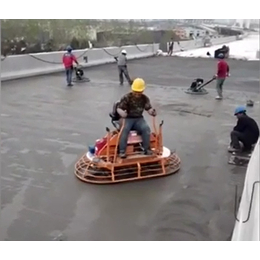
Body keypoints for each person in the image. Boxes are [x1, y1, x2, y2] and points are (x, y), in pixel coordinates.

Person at [116, 78, 157, 158]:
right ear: (132, 90)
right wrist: (122, 113)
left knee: (146, 129)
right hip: (127, 118)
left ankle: (146, 149)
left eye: (139, 92)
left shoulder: (144, 98)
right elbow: (119, 108)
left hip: (138, 118)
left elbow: (148, 108)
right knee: (125, 129)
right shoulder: (127, 97)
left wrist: (152, 112)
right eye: (136, 92)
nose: (137, 94)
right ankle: (122, 151)